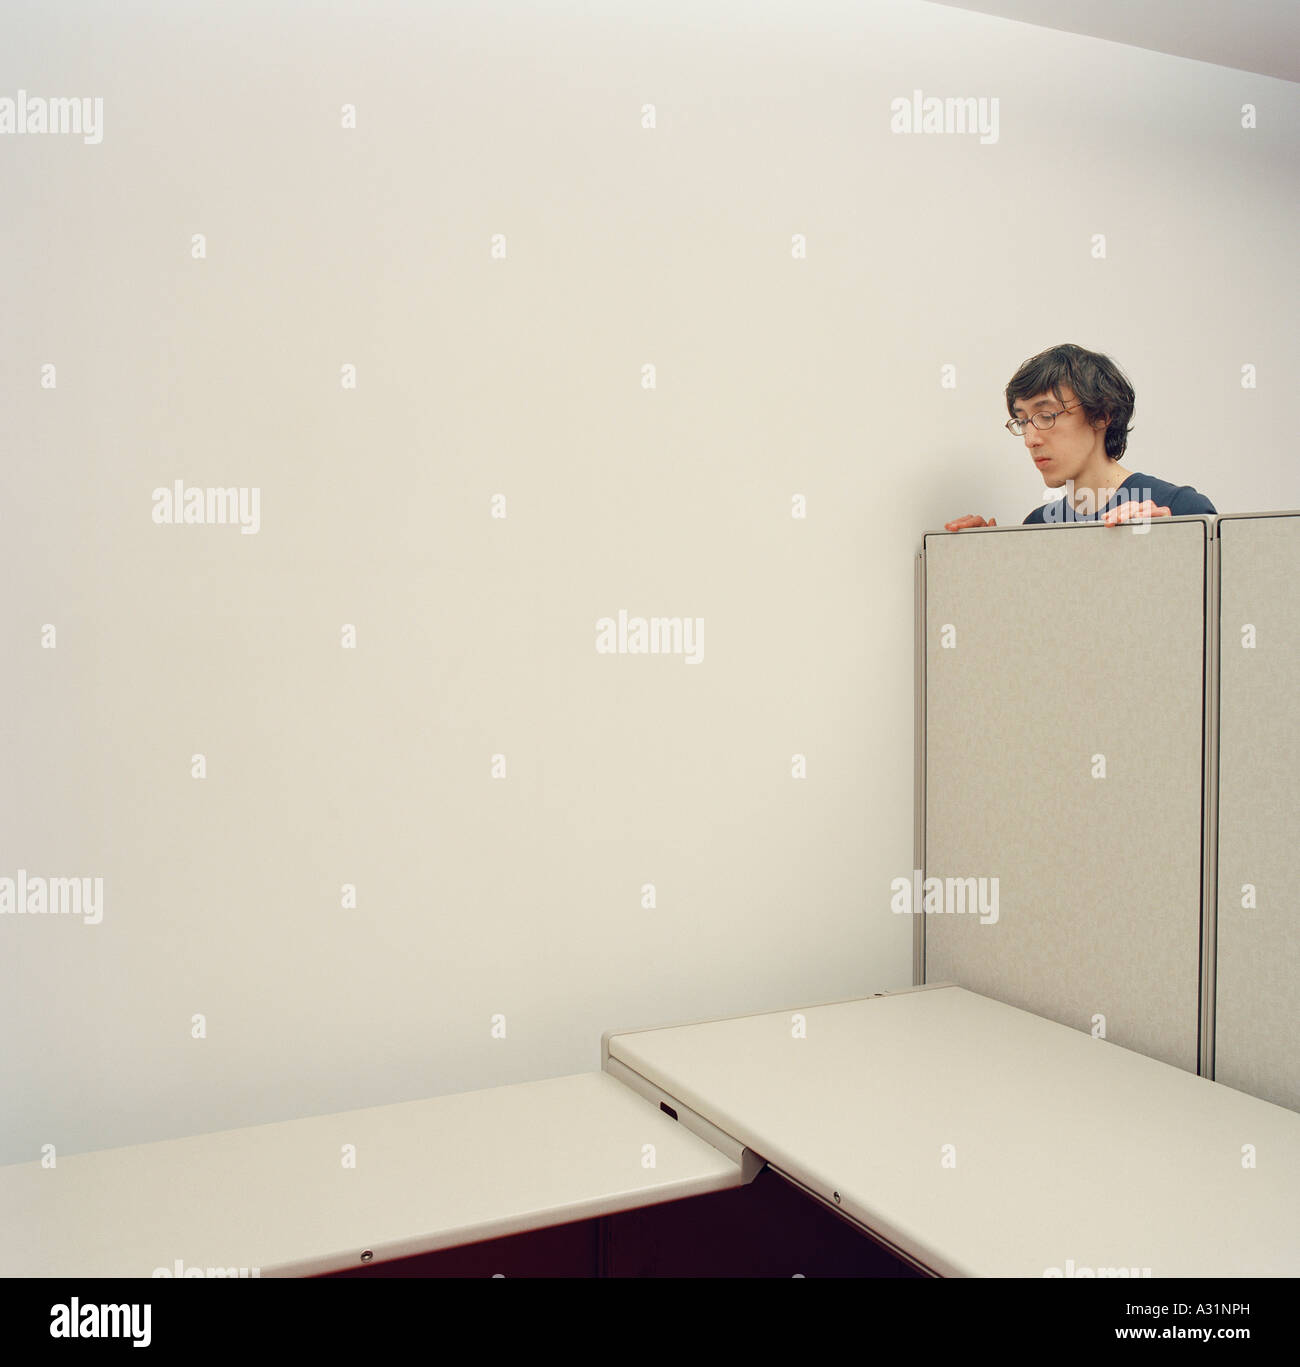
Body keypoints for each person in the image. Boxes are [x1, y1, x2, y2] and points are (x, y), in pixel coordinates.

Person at [945, 343, 1216, 531]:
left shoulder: (1179, 510)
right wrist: (984, 565)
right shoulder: (1039, 526)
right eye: (1023, 420)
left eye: (1047, 415)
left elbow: (1228, 608)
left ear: (1101, 414)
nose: (1030, 439)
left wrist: (1176, 542)